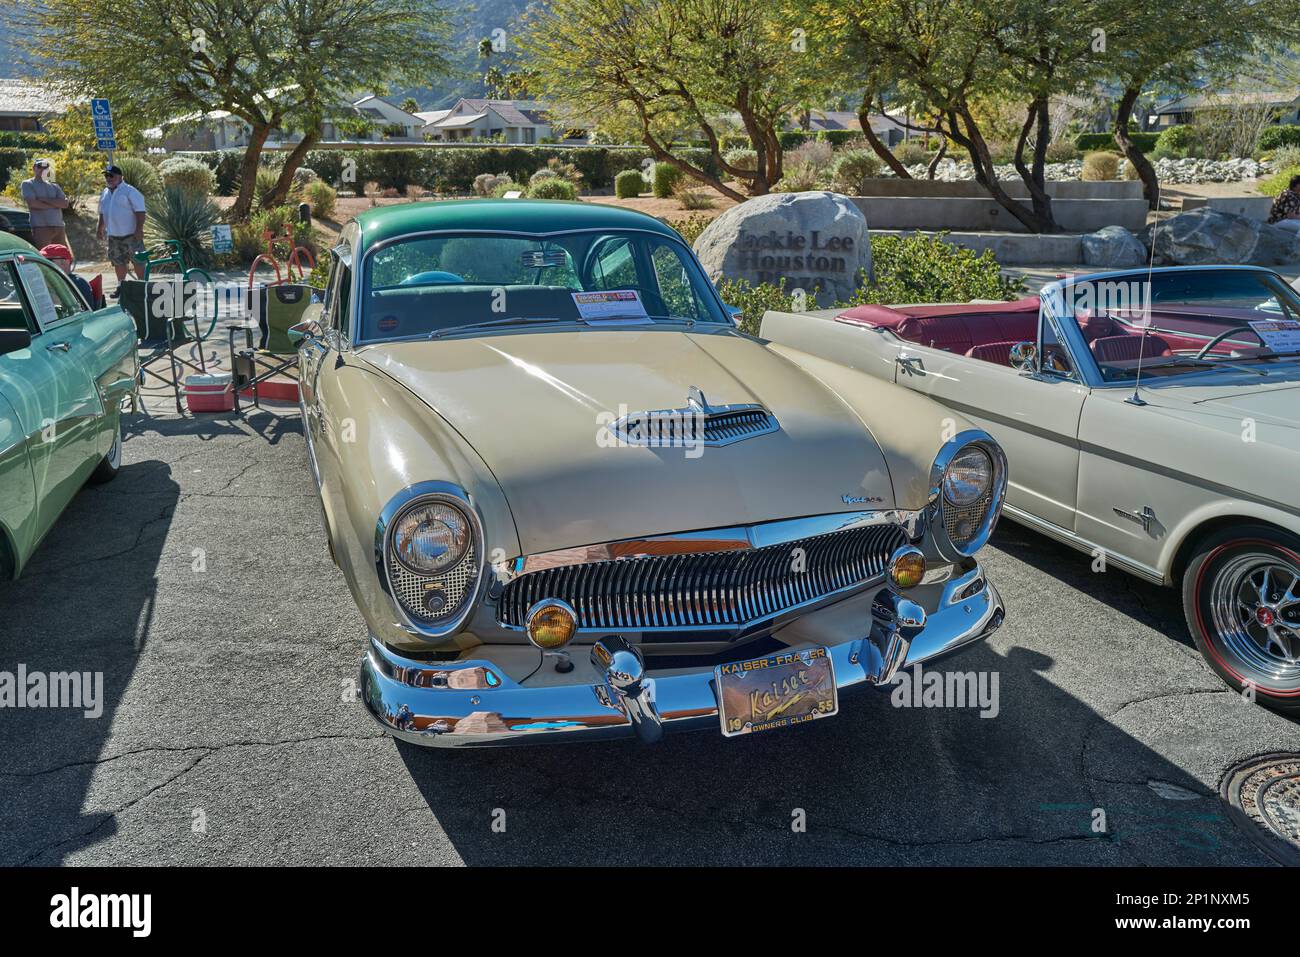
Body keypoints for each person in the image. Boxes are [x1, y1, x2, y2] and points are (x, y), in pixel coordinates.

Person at [97, 164, 146, 282]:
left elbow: (140, 211)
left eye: (111, 176)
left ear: (120, 177)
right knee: (118, 262)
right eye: (106, 176)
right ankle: (121, 286)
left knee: (138, 260)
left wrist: (139, 229)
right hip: (113, 236)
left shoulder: (130, 191)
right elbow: (102, 212)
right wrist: (100, 228)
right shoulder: (105, 193)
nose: (108, 178)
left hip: (131, 235)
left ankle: (142, 284)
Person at [20, 158, 71, 250]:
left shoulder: (54, 186)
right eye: (40, 166)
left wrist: (44, 199)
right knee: (45, 257)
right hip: (41, 227)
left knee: (62, 257)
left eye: (45, 167)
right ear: (34, 168)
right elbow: (33, 204)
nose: (43, 169)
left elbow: (65, 204)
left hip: (59, 227)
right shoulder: (28, 184)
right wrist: (55, 204)